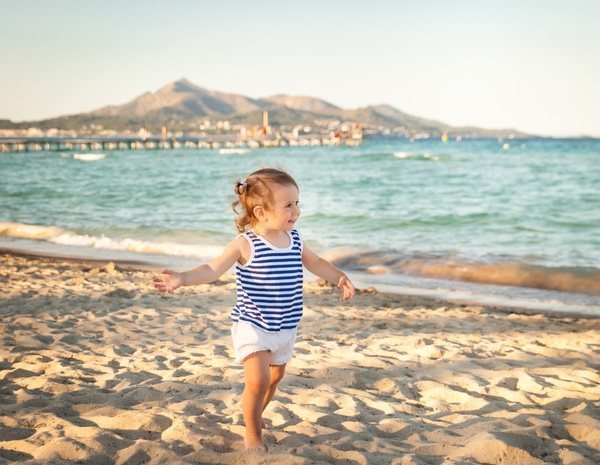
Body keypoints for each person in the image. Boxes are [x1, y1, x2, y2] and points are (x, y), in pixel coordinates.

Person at [153, 167, 356, 451]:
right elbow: (212, 268)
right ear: (261, 213)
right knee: (258, 380)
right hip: (253, 324)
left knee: (275, 378)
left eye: (297, 203)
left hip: (285, 325)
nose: (296, 210)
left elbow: (317, 263)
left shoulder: (295, 239)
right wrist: (182, 278)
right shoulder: (246, 244)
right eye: (288, 205)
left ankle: (255, 414)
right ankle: (252, 434)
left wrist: (339, 277)